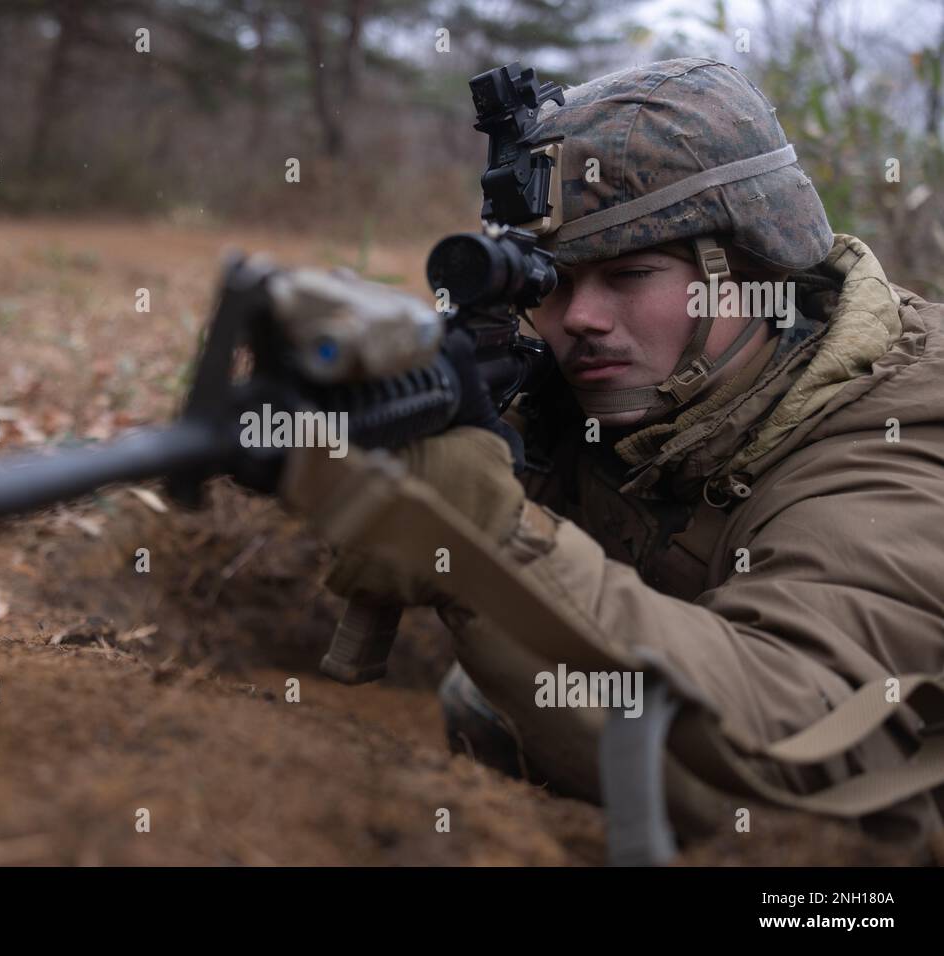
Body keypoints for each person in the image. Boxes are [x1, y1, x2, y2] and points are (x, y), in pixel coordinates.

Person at [325, 57, 944, 860]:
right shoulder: (612, 394)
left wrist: (490, 539)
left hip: (844, 866)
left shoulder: (896, 440)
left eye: (630, 273)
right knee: (484, 702)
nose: (579, 318)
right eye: (554, 282)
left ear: (751, 272)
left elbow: (793, 752)